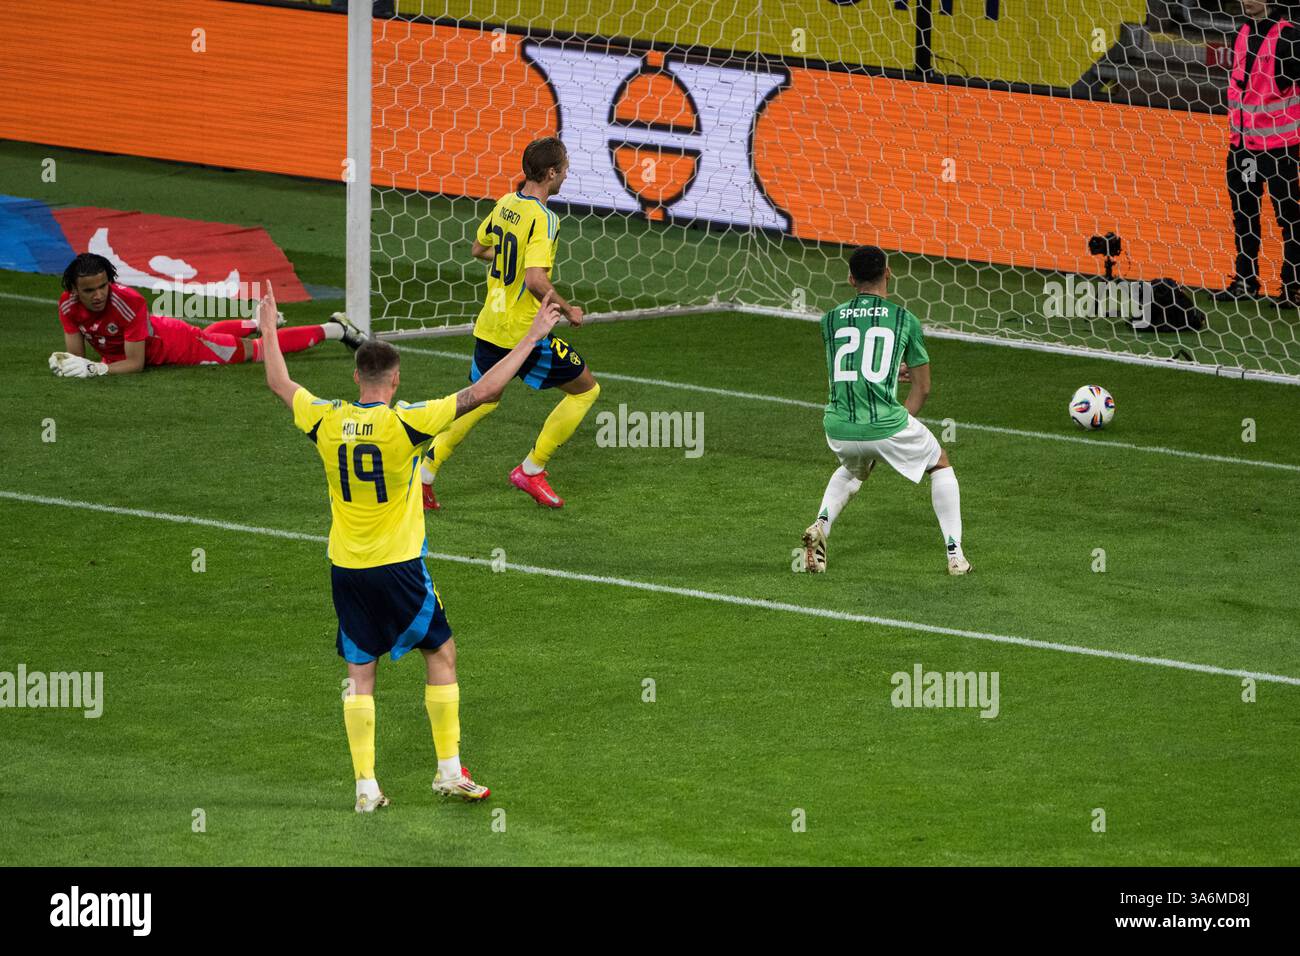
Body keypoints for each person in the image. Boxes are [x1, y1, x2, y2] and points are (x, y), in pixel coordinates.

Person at [258, 280, 562, 811]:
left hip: (345, 566)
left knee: (360, 672)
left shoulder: (326, 418)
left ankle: (366, 788)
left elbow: (280, 382)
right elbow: (484, 392)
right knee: (441, 653)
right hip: (398, 566)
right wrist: (532, 335)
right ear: (395, 380)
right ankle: (448, 771)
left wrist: (267, 326)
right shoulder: (406, 422)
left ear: (357, 376)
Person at [418, 136, 600, 510]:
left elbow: (479, 249)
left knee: (482, 400)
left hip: (491, 324)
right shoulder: (545, 219)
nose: (566, 174)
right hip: (523, 335)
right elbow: (535, 280)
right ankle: (532, 469)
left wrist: (510, 259)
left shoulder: (506, 203)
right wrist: (569, 310)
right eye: (564, 168)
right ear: (551, 173)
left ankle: (424, 474)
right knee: (585, 391)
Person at [800, 246, 970, 576]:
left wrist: (890, 372)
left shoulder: (829, 320)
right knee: (939, 463)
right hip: (884, 423)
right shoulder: (905, 319)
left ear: (850, 279)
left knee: (854, 469)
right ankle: (955, 555)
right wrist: (895, 426)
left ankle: (821, 524)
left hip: (838, 427)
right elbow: (923, 388)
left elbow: (853, 365)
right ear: (888, 273)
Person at [48, 253, 363, 378]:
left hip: (178, 346)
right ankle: (256, 322)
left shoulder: (129, 302)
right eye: (90, 290)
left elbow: (135, 364)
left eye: (103, 286)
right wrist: (67, 363)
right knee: (213, 335)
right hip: (170, 333)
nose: (99, 294)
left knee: (257, 351)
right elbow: (77, 356)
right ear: (75, 290)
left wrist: (96, 371)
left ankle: (335, 328)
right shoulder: (66, 306)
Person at [1216, 1, 1300, 307]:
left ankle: (1292, 287)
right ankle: (1246, 280)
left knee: (1288, 217)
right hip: (1244, 148)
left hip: (1278, 150)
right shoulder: (1243, 32)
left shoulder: (1290, 38)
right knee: (1245, 214)